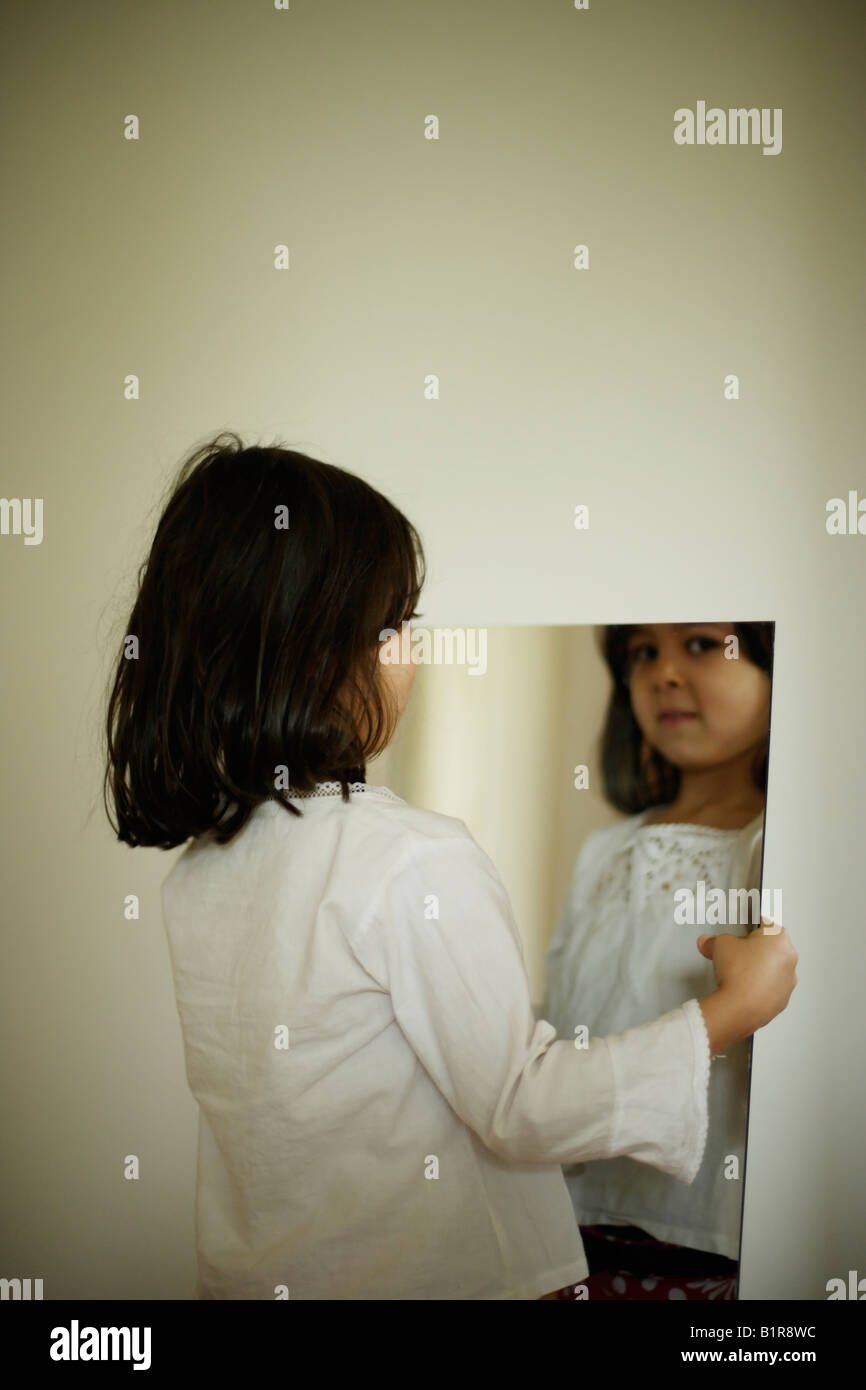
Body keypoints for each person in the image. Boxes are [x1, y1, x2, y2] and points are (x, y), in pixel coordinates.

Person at [103, 434, 797, 1299]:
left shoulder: (199, 878)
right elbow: (521, 1102)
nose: (414, 651)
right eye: (397, 624)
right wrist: (734, 1008)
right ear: (319, 651)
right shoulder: (408, 858)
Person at [542, 622, 775, 1300]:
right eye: (643, 652)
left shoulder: (772, 845)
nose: (662, 673)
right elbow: (565, 1013)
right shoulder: (602, 852)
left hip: (705, 1242)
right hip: (571, 1228)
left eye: (701, 644)